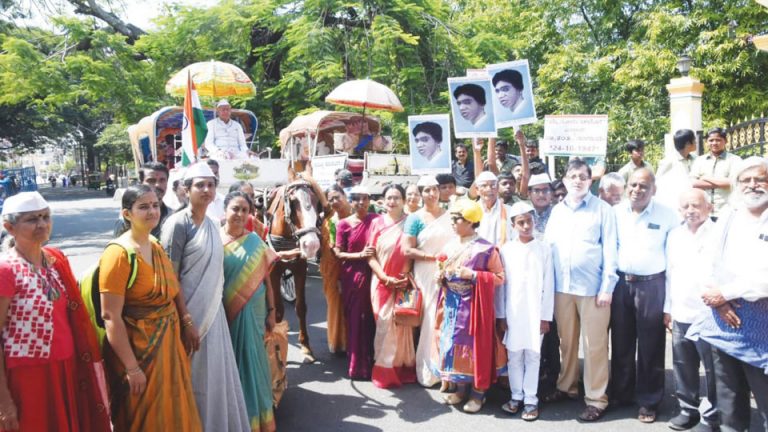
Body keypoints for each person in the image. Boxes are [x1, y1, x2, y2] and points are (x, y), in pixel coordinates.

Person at [0, 192, 111, 432]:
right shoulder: (6, 270)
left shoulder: (55, 261)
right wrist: (4, 402)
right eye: (31, 219)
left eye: (45, 217)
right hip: (28, 377)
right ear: (10, 227)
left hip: (67, 370)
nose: (41, 224)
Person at [99, 185, 202, 431]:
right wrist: (132, 368)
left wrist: (187, 322)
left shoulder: (154, 245)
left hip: (169, 343)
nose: (152, 211)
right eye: (143, 207)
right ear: (127, 214)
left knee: (176, 406)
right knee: (144, 417)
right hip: (138, 351)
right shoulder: (118, 254)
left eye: (155, 205)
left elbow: (172, 286)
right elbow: (110, 316)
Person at [160, 162, 250, 431]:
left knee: (215, 375)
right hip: (188, 316)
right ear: (186, 190)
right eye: (200, 185)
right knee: (193, 376)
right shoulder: (177, 225)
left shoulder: (212, 225)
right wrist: (186, 321)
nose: (207, 190)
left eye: (211, 184)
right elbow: (170, 278)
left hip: (213, 314)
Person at [687, 156, 768, 432]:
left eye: (760, 179)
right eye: (746, 180)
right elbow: (706, 261)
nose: (753, 185)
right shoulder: (729, 217)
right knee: (730, 402)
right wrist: (716, 299)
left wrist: (725, 293)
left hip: (762, 326)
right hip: (724, 321)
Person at [544, 158, 618, 422]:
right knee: (567, 341)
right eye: (573, 176)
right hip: (562, 288)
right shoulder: (558, 211)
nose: (577, 180)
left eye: (583, 176)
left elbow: (610, 250)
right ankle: (567, 386)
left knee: (595, 345)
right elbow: (548, 247)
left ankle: (597, 398)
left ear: (590, 180)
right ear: (565, 180)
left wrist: (607, 286)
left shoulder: (602, 210)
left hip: (593, 289)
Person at [611, 168, 679, 423]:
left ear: (654, 190)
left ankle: (649, 400)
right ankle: (621, 393)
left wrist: (669, 303)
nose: (637, 190)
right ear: (626, 186)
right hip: (620, 284)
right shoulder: (615, 213)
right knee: (620, 342)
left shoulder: (668, 215)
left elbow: (673, 260)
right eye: (633, 185)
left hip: (652, 286)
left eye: (643, 186)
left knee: (651, 345)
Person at [435, 199, 505, 413]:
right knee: (453, 345)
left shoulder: (485, 248)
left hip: (475, 307)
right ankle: (460, 390)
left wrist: (473, 275)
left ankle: (478, 393)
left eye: (457, 219)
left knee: (475, 348)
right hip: (452, 305)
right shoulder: (450, 245)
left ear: (470, 221)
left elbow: (500, 277)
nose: (453, 223)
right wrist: (441, 277)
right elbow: (443, 270)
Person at [220, 191, 279, 432]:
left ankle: (260, 420)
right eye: (235, 208)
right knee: (233, 363)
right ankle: (238, 418)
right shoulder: (214, 241)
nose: (240, 214)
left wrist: (272, 310)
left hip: (255, 312)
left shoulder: (255, 241)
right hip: (226, 314)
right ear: (225, 210)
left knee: (255, 363)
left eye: (245, 210)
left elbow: (266, 280)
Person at [665, 188, 719, 432]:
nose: (691, 210)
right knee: (683, 364)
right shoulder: (674, 235)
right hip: (681, 311)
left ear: (709, 208)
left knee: (714, 369)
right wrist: (668, 309)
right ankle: (688, 410)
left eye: (696, 205)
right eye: (686, 206)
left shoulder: (719, 234)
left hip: (711, 314)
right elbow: (669, 274)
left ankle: (712, 415)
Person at [497, 202, 554, 421]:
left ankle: (531, 400)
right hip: (513, 312)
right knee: (514, 355)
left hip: (535, 312)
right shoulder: (506, 250)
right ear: (513, 225)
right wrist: (501, 315)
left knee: (533, 355)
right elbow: (502, 286)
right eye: (520, 222)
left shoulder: (544, 248)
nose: (526, 226)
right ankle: (515, 396)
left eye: (529, 221)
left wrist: (545, 316)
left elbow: (548, 285)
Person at [403, 176, 454, 388]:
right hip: (425, 272)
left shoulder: (450, 215)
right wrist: (433, 258)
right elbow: (407, 249)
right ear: (421, 193)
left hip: (450, 271)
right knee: (431, 320)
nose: (431, 194)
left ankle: (448, 370)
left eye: (434, 189)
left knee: (448, 319)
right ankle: (429, 370)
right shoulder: (415, 218)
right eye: (426, 191)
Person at [367, 185, 416, 388]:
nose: (392, 201)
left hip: (404, 282)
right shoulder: (377, 223)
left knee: (401, 326)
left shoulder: (411, 223)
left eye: (396, 197)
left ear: (404, 201)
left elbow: (413, 251)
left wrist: (404, 276)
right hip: (381, 282)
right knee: (384, 324)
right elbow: (370, 256)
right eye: (388, 198)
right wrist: (385, 277)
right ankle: (383, 368)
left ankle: (400, 369)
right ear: (383, 200)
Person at [334, 185, 379, 380]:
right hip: (353, 275)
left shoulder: (377, 221)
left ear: (369, 201)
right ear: (350, 202)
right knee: (356, 318)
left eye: (364, 198)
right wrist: (360, 255)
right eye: (356, 199)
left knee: (372, 317)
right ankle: (356, 365)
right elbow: (338, 252)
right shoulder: (343, 224)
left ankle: (373, 360)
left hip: (375, 272)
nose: (361, 202)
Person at [321, 185, 351, 355]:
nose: (334, 202)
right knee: (334, 304)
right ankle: (336, 342)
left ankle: (351, 341)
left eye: (337, 197)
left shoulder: (356, 217)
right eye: (330, 199)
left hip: (352, 268)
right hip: (331, 270)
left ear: (345, 196)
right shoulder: (328, 221)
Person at [690, 128, 742, 220]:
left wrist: (705, 178)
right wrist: (721, 182)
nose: (714, 143)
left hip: (726, 211)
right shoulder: (699, 161)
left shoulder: (735, 160)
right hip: (704, 212)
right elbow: (693, 183)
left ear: (725, 141)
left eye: (718, 140)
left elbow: (732, 183)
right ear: (707, 142)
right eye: (711, 140)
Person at [113, 162, 172, 238]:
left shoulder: (173, 217)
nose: (157, 185)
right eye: (151, 180)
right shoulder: (128, 218)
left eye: (162, 180)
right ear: (141, 183)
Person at [656, 129, 697, 209]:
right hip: (675, 204)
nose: (696, 142)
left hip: (692, 201)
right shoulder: (669, 162)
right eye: (694, 140)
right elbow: (656, 181)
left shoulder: (696, 159)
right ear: (688, 143)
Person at [474, 171, 516, 245]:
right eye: (484, 186)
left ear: (497, 188)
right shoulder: (472, 211)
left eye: (493, 185)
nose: (489, 189)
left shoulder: (510, 211)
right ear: (477, 190)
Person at [528, 173, 553, 238]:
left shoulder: (559, 213)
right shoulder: (525, 214)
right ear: (529, 194)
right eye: (536, 191)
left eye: (545, 190)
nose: (541, 195)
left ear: (551, 193)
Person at [204, 159, 227, 223]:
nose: (214, 177)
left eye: (216, 173)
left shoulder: (224, 200)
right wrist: (220, 222)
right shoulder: (198, 201)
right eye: (211, 173)